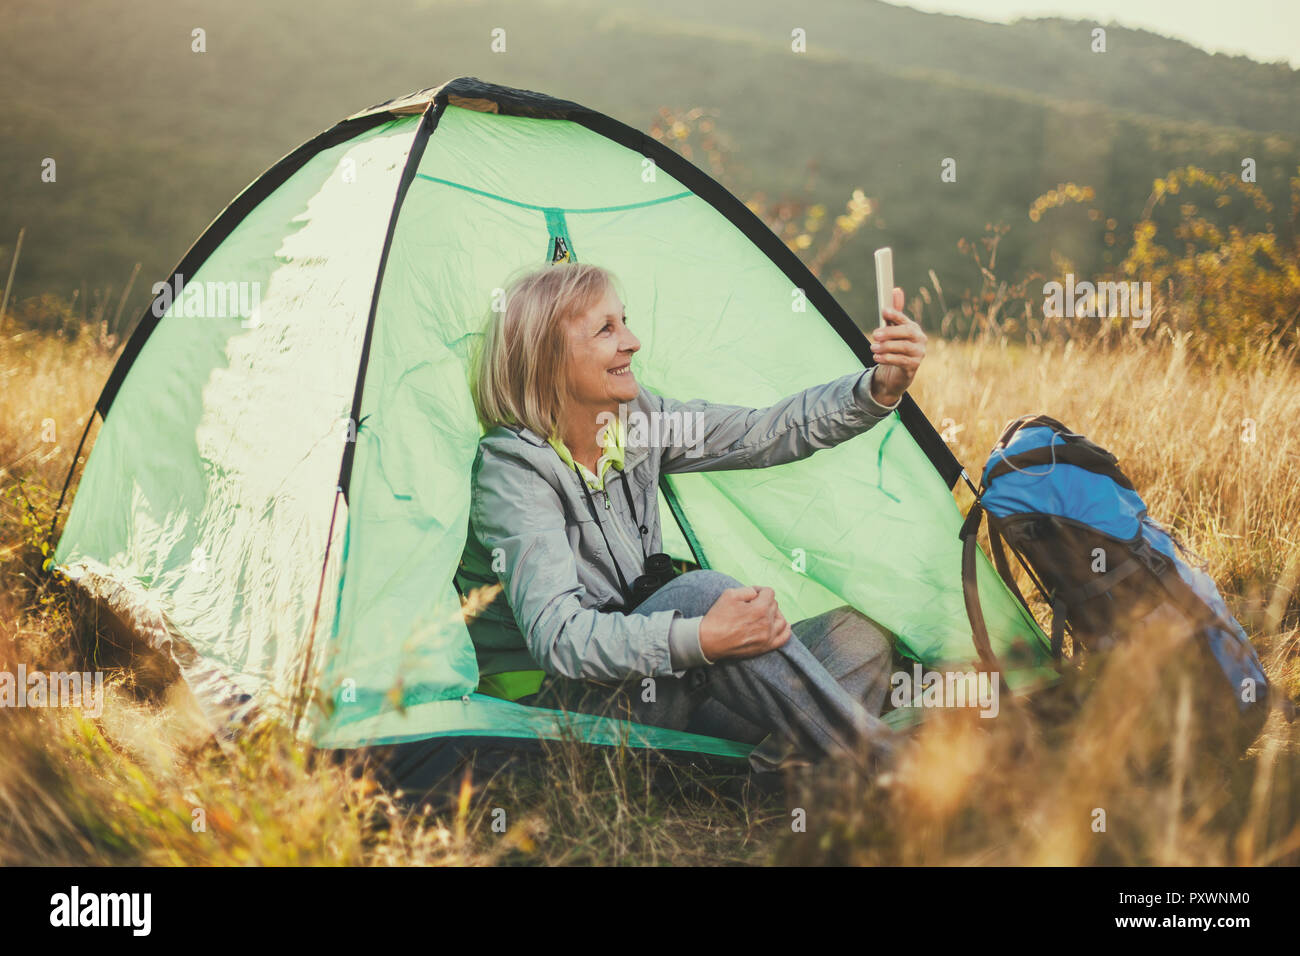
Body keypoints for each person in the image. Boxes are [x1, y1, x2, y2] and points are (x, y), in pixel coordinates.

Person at [457, 262, 927, 773]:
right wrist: (701, 637)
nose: (632, 341)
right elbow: (560, 640)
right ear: (547, 358)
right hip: (563, 719)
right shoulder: (513, 473)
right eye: (606, 329)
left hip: (659, 690)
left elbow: (760, 433)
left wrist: (878, 389)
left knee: (858, 631)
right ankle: (890, 766)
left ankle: (785, 775)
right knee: (700, 596)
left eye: (625, 321)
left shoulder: (638, 424)